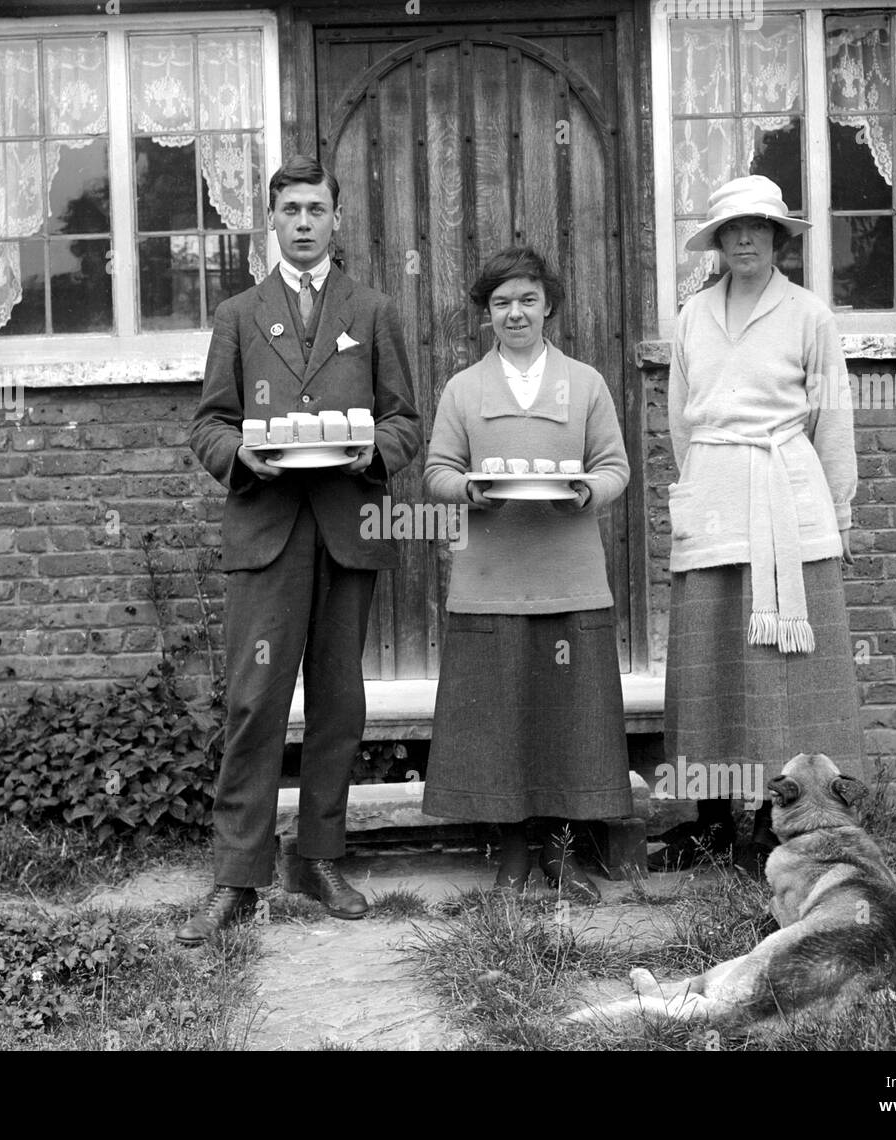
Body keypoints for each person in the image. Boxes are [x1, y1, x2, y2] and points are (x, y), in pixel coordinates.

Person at [184, 155, 421, 942]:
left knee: (338, 704)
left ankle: (317, 857)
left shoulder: (374, 310)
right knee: (253, 703)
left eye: (318, 209)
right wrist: (237, 458)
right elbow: (208, 424)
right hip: (267, 528)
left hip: (347, 529)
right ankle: (236, 876)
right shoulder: (239, 315)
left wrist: (372, 453)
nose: (305, 222)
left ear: (336, 219)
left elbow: (405, 422)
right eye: (291, 210)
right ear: (273, 221)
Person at [656, 174, 862, 870]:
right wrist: (696, 491)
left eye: (758, 227)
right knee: (709, 665)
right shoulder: (691, 316)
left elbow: (832, 418)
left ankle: (780, 823)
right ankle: (712, 823)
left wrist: (839, 513)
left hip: (786, 498)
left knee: (780, 674)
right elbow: (682, 419)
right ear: (716, 241)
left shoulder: (810, 316)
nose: (744, 239)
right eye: (731, 229)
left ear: (778, 237)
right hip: (714, 496)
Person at [423, 246, 633, 901]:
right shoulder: (464, 389)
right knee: (499, 726)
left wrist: (586, 493)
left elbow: (614, 468)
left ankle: (561, 854)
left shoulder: (586, 384)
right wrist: (468, 491)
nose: (515, 314)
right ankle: (512, 855)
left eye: (527, 301)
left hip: (570, 579)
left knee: (567, 721)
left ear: (549, 308)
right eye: (501, 303)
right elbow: (437, 473)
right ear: (487, 315)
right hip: (488, 583)